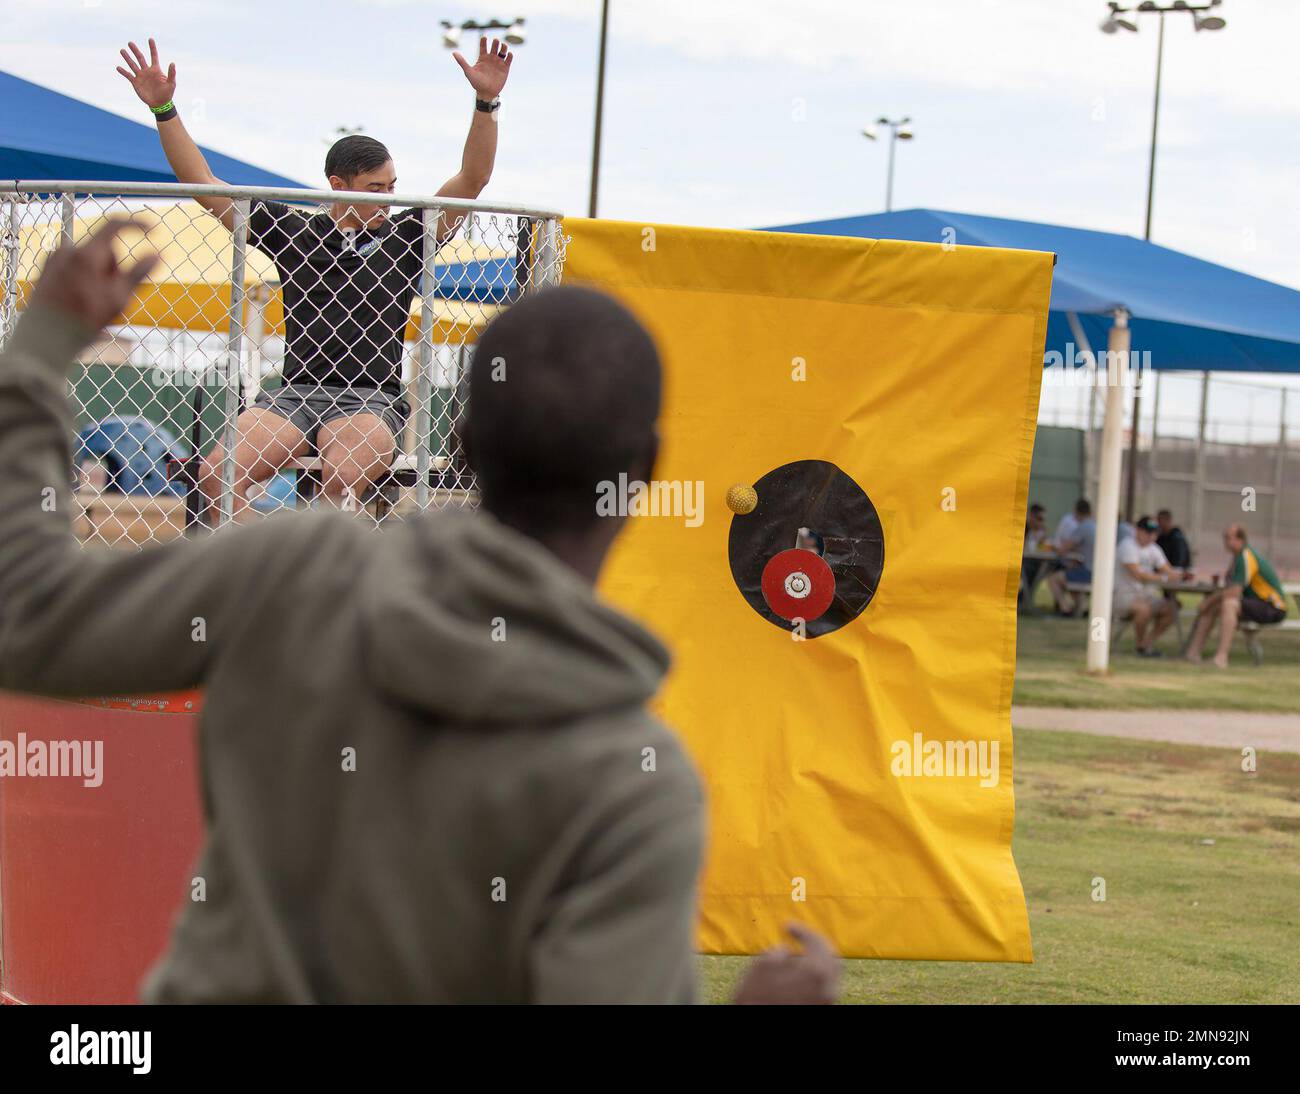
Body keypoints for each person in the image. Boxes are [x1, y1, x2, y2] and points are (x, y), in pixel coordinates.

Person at [0, 223, 840, 1005]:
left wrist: (40, 355)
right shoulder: (632, 785)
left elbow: (24, 616)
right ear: (645, 471)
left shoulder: (291, 571)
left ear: (464, 445)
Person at [116, 36, 513, 519]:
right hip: (296, 390)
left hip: (372, 397)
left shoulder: (408, 233)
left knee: (343, 479)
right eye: (374, 189)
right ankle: (257, 579)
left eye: (392, 186)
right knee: (219, 474)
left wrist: (486, 101)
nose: (387, 198)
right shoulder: (292, 228)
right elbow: (203, 184)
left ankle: (318, 584)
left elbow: (473, 179)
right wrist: (165, 108)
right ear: (338, 187)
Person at [1186, 524, 1288, 669]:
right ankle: (1192, 653)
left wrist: (1209, 600)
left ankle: (1221, 658)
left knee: (1229, 604)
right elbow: (1229, 588)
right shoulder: (1237, 558)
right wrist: (1210, 603)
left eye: (1228, 537)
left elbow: (1234, 592)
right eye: (1224, 537)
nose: (1225, 541)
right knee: (1215, 606)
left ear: (1240, 539)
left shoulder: (1246, 556)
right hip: (1255, 603)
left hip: (1273, 607)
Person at [1113, 515, 1177, 656]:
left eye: (1154, 533)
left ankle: (1146, 644)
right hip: (1123, 596)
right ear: (1137, 530)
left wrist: (1177, 575)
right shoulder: (1127, 546)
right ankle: (1140, 646)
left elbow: (1168, 570)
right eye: (1148, 532)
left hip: (1145, 595)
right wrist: (1164, 578)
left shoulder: (1154, 548)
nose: (1151, 536)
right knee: (1144, 609)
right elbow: (1137, 574)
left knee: (1172, 608)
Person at [1046, 498, 1096, 616]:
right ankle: (1081, 609)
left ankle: (1065, 609)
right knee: (1070, 576)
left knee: (1053, 579)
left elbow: (1063, 549)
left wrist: (1053, 547)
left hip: (1089, 573)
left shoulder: (1084, 526)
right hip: (1097, 572)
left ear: (1076, 512)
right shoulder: (1095, 525)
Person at [1155, 508, 1193, 573]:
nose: (1157, 524)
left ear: (1167, 521)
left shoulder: (1177, 539)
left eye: (1159, 521)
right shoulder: (1161, 537)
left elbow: (1178, 564)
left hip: (1175, 575)